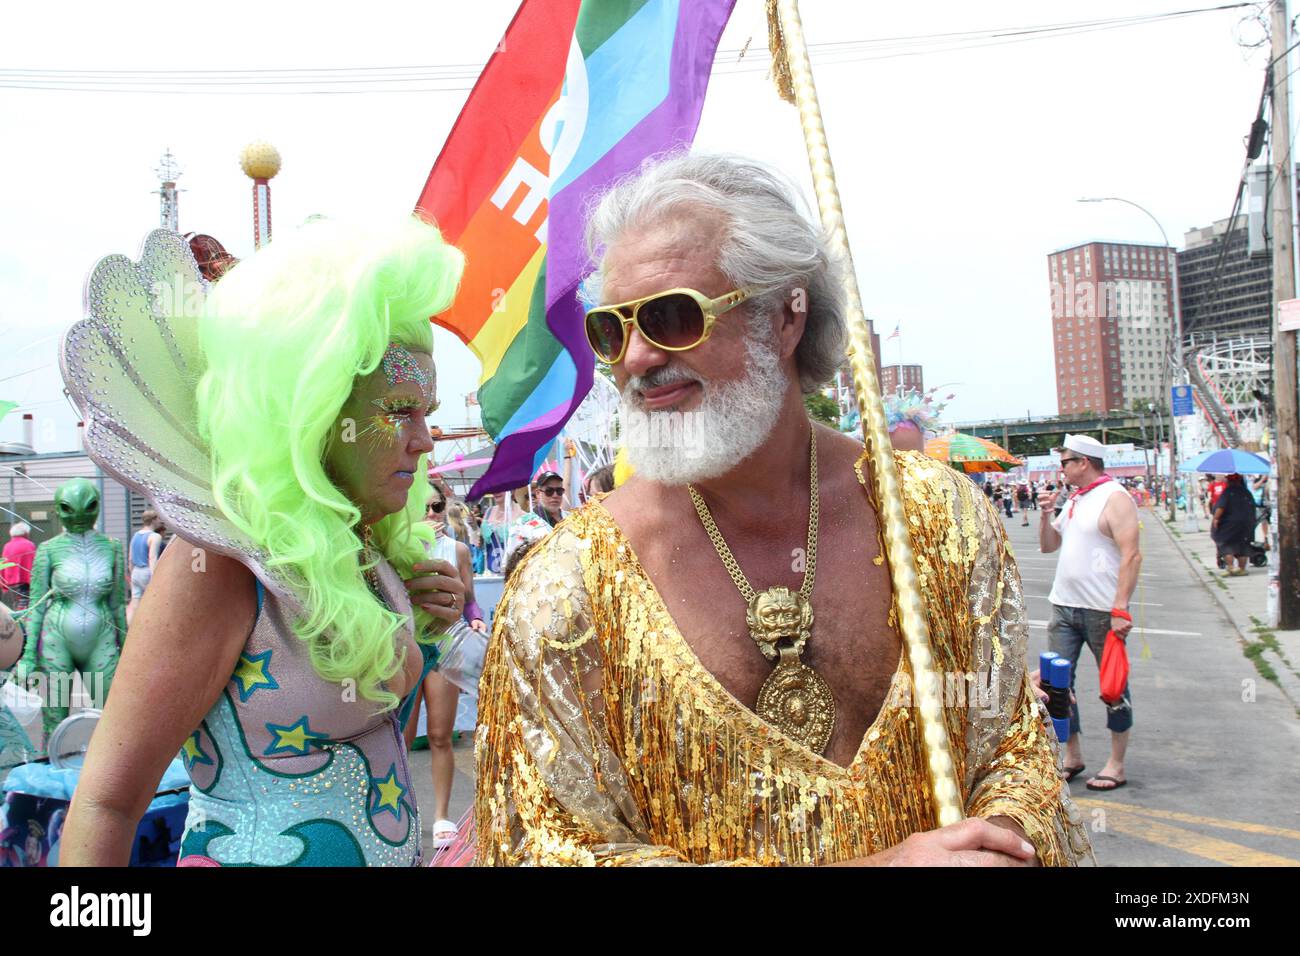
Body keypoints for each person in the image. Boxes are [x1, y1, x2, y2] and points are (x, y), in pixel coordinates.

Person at [475, 153, 1088, 866]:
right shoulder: (564, 590)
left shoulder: (939, 519)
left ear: (786, 317)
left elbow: (1014, 746)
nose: (636, 359)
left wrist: (1001, 839)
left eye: (672, 317)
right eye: (612, 331)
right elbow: (549, 851)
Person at [58, 217, 468, 866]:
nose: (424, 441)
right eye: (398, 410)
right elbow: (106, 803)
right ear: (319, 411)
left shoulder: (366, 553)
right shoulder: (218, 563)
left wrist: (420, 623)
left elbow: (383, 736)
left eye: (428, 414)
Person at [1038, 434, 1140, 793]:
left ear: (1084, 462)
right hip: (1064, 604)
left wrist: (1121, 608)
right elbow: (1049, 546)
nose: (1061, 467)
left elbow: (1131, 555)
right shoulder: (1076, 499)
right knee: (1057, 685)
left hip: (1101, 610)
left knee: (1113, 686)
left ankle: (1117, 762)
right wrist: (1047, 512)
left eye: (1065, 461)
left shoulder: (1115, 498)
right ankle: (1072, 754)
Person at [401, 486, 486, 851]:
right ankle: (402, 813)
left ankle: (440, 815)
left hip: (446, 647)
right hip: (404, 649)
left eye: (437, 507)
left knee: (439, 734)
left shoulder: (458, 550)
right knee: (400, 739)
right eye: (423, 508)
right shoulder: (396, 550)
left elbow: (469, 602)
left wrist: (478, 620)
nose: (432, 514)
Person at [17, 479, 126, 743]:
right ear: (58, 510)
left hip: (101, 637)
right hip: (58, 640)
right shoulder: (49, 549)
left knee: (110, 714)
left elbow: (117, 603)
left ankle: (108, 778)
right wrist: (29, 656)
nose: (79, 516)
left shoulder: (113, 548)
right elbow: (37, 604)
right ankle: (52, 769)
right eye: (68, 509)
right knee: (55, 715)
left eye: (87, 508)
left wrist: (128, 647)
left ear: (96, 507)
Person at [1211, 474, 1257, 576]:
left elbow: (1221, 507)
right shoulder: (1246, 492)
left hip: (1229, 524)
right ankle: (1241, 569)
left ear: (1229, 481)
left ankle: (1231, 567)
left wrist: (1216, 519)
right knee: (1243, 546)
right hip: (1246, 523)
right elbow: (1252, 507)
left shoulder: (1227, 492)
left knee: (1226, 544)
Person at [126, 510, 164, 623]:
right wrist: (154, 576)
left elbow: (130, 558)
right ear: (153, 520)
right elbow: (152, 557)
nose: (159, 521)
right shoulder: (155, 536)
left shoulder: (136, 535)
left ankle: (130, 630)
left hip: (135, 572)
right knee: (154, 601)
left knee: (135, 602)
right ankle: (153, 624)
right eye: (158, 519)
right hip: (147, 571)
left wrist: (131, 573)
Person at [1, 523, 36, 612]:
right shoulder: (29, 544)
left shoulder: (7, 546)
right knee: (25, 609)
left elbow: (4, 565)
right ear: (25, 533)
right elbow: (34, 565)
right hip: (25, 583)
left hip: (11, 584)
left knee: (16, 607)